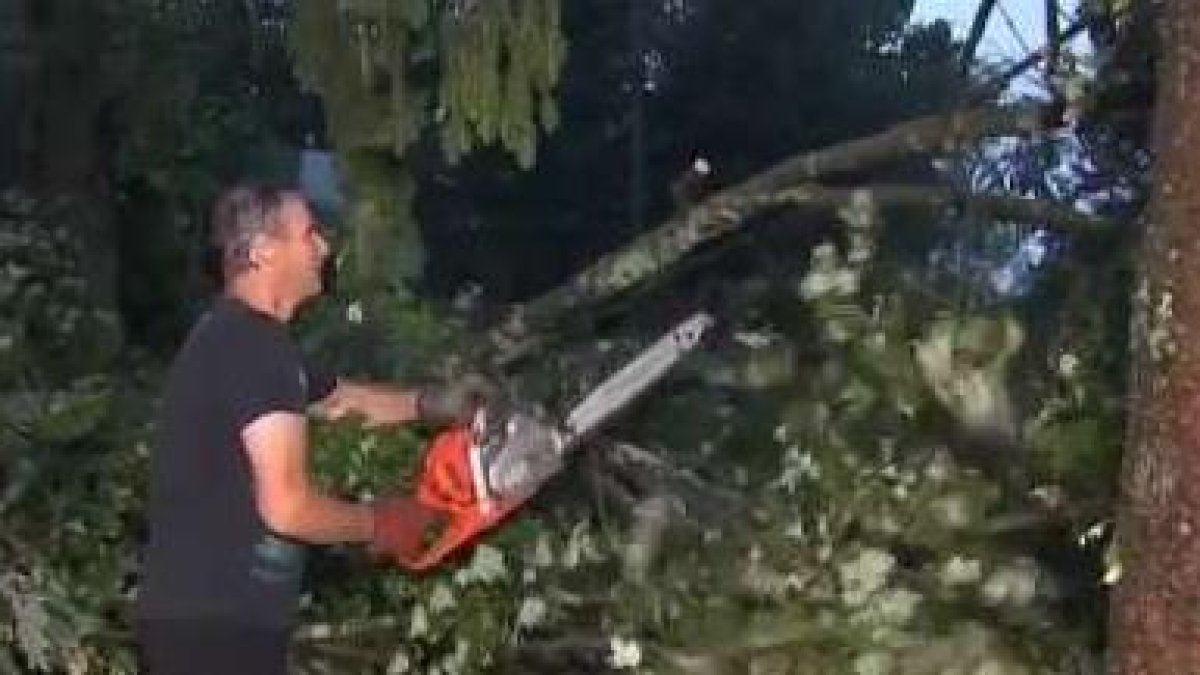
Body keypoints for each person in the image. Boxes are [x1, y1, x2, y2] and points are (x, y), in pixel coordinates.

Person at [135, 184, 485, 674]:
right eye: (309, 234)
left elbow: (342, 401)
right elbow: (287, 506)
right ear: (262, 252)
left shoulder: (244, 341)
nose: (323, 248)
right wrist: (381, 523)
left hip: (210, 623)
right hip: (215, 631)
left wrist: (430, 404)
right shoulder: (253, 347)